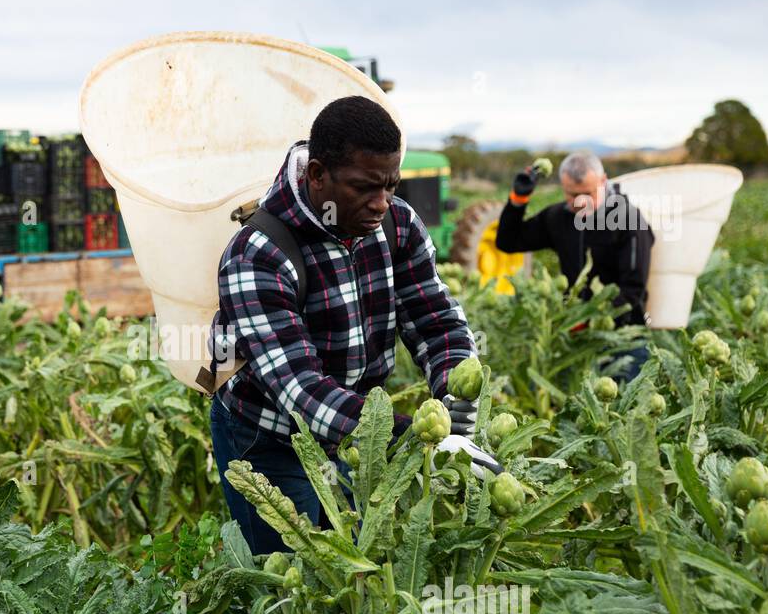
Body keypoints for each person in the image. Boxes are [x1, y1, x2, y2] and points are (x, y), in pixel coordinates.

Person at [207, 96, 498, 556]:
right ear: (317, 174)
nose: (382, 204)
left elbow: (435, 318)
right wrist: (419, 438)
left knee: (356, 567)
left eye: (390, 186)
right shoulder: (256, 254)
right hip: (269, 436)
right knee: (293, 589)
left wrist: (456, 398)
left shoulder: (398, 224)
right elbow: (302, 392)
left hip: (354, 430)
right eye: (365, 188)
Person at [494, 150, 654, 381]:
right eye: (572, 195)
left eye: (588, 193)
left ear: (603, 181)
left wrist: (589, 319)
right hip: (575, 343)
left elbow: (633, 291)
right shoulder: (558, 218)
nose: (580, 202)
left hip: (625, 339)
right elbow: (508, 242)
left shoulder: (629, 221)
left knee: (627, 410)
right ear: (563, 187)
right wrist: (518, 201)